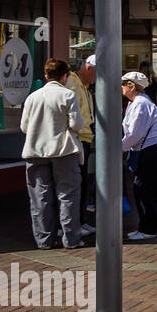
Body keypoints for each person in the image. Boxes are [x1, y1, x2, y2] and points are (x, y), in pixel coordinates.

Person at [20, 58, 85, 249]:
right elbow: (77, 124)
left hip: (35, 151)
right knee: (68, 195)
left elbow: (24, 127)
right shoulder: (68, 95)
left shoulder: (32, 97)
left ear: (46, 76)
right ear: (65, 76)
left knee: (40, 197)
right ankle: (71, 239)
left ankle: (44, 240)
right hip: (63, 150)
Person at [120, 71, 157, 241]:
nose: (121, 87)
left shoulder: (140, 104)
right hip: (148, 149)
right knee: (144, 189)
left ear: (132, 86)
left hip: (149, 150)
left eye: (124, 84)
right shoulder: (137, 103)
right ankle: (145, 226)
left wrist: (120, 148)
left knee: (144, 190)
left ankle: (148, 229)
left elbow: (135, 134)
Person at [65, 54, 96, 236]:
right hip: (77, 139)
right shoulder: (73, 84)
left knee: (83, 181)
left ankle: (81, 220)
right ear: (88, 68)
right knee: (77, 183)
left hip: (85, 137)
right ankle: (74, 223)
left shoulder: (85, 86)